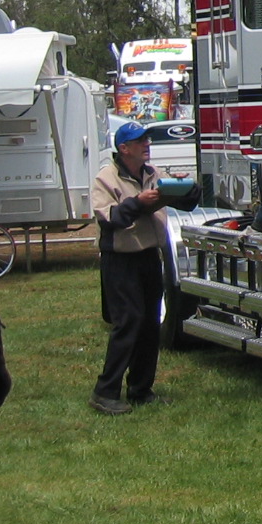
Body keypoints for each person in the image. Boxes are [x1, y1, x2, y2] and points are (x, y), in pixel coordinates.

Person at [89, 120, 199, 415]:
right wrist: (138, 202)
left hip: (150, 255)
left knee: (150, 323)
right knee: (128, 322)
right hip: (121, 259)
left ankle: (140, 389)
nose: (146, 144)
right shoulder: (106, 177)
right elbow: (109, 218)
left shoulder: (153, 174)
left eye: (147, 140)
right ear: (124, 148)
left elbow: (186, 203)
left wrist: (187, 188)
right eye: (140, 141)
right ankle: (105, 391)